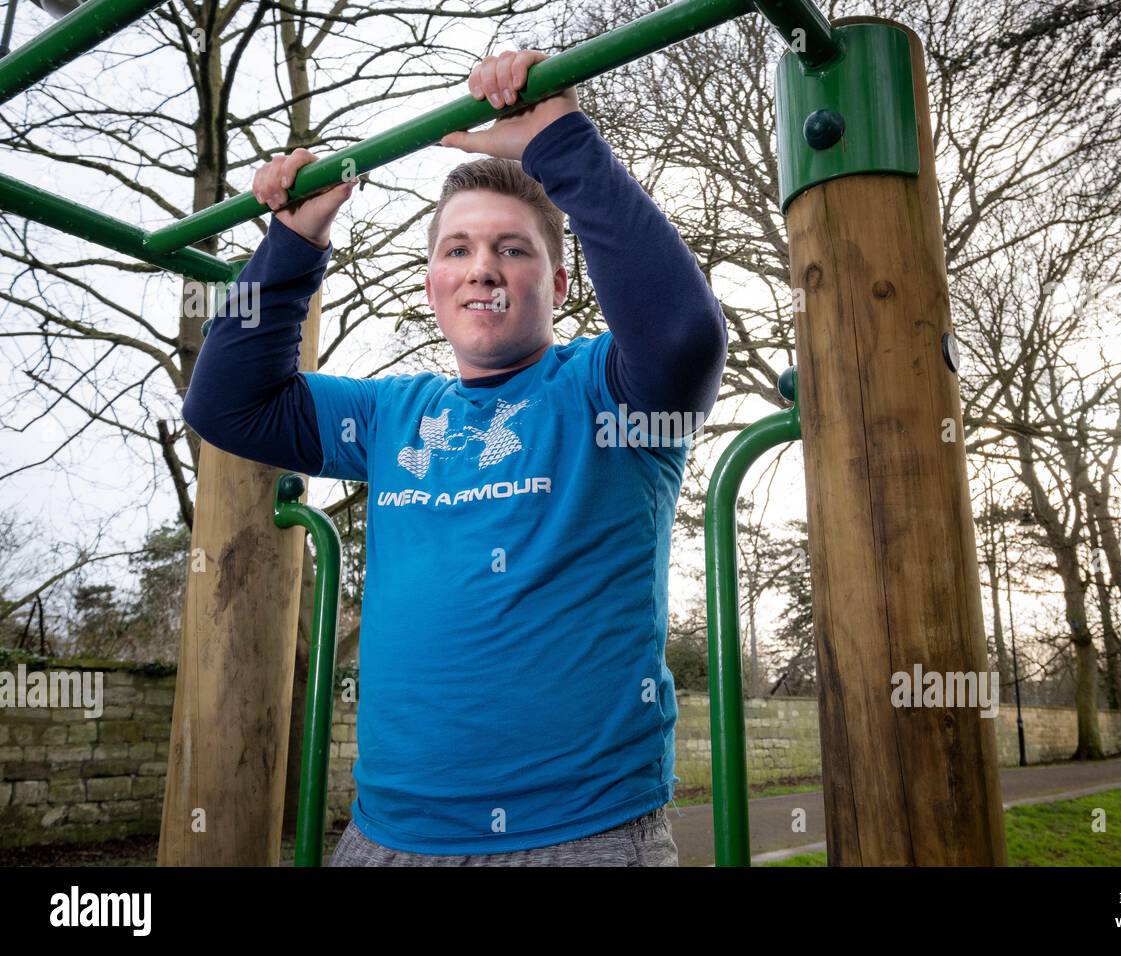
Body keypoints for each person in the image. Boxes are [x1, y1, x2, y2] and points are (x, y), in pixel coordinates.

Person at [181, 49, 728, 866]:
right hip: (386, 839)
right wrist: (293, 241)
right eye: (458, 250)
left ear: (561, 281)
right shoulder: (393, 413)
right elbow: (226, 402)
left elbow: (683, 332)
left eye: (513, 250)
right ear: (433, 280)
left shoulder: (607, 393)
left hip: (580, 835)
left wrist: (560, 141)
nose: (483, 268)